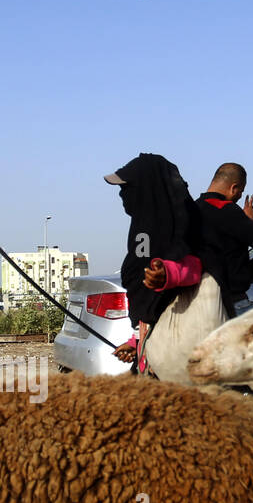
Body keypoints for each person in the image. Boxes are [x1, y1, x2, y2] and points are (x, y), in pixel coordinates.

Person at [103, 154, 203, 371]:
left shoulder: (183, 226)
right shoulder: (142, 227)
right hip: (154, 347)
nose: (122, 192)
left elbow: (198, 267)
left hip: (179, 355)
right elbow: (145, 293)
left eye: (127, 186)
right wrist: (136, 340)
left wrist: (169, 274)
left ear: (148, 188)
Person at [195, 162, 253, 318]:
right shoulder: (227, 210)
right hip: (231, 303)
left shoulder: (193, 208)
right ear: (233, 187)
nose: (239, 196)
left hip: (198, 303)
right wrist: (251, 219)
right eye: (240, 192)